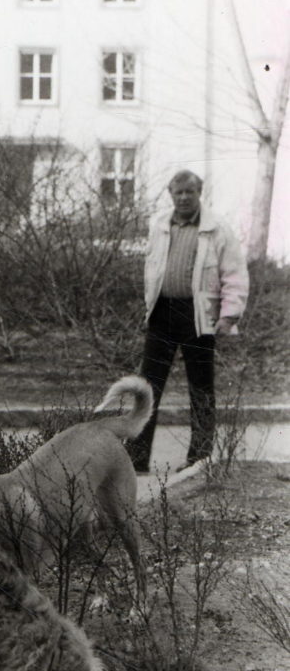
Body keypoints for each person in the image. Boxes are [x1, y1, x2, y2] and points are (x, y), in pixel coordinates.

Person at [126, 170, 249, 475]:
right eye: (177, 193)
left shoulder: (217, 228)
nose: (183, 198)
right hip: (162, 313)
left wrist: (229, 314)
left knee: (201, 386)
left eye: (189, 193)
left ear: (199, 193)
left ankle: (200, 458)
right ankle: (136, 458)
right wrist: (149, 305)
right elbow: (152, 269)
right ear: (170, 194)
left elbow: (234, 273)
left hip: (198, 314)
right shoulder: (158, 224)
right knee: (148, 386)